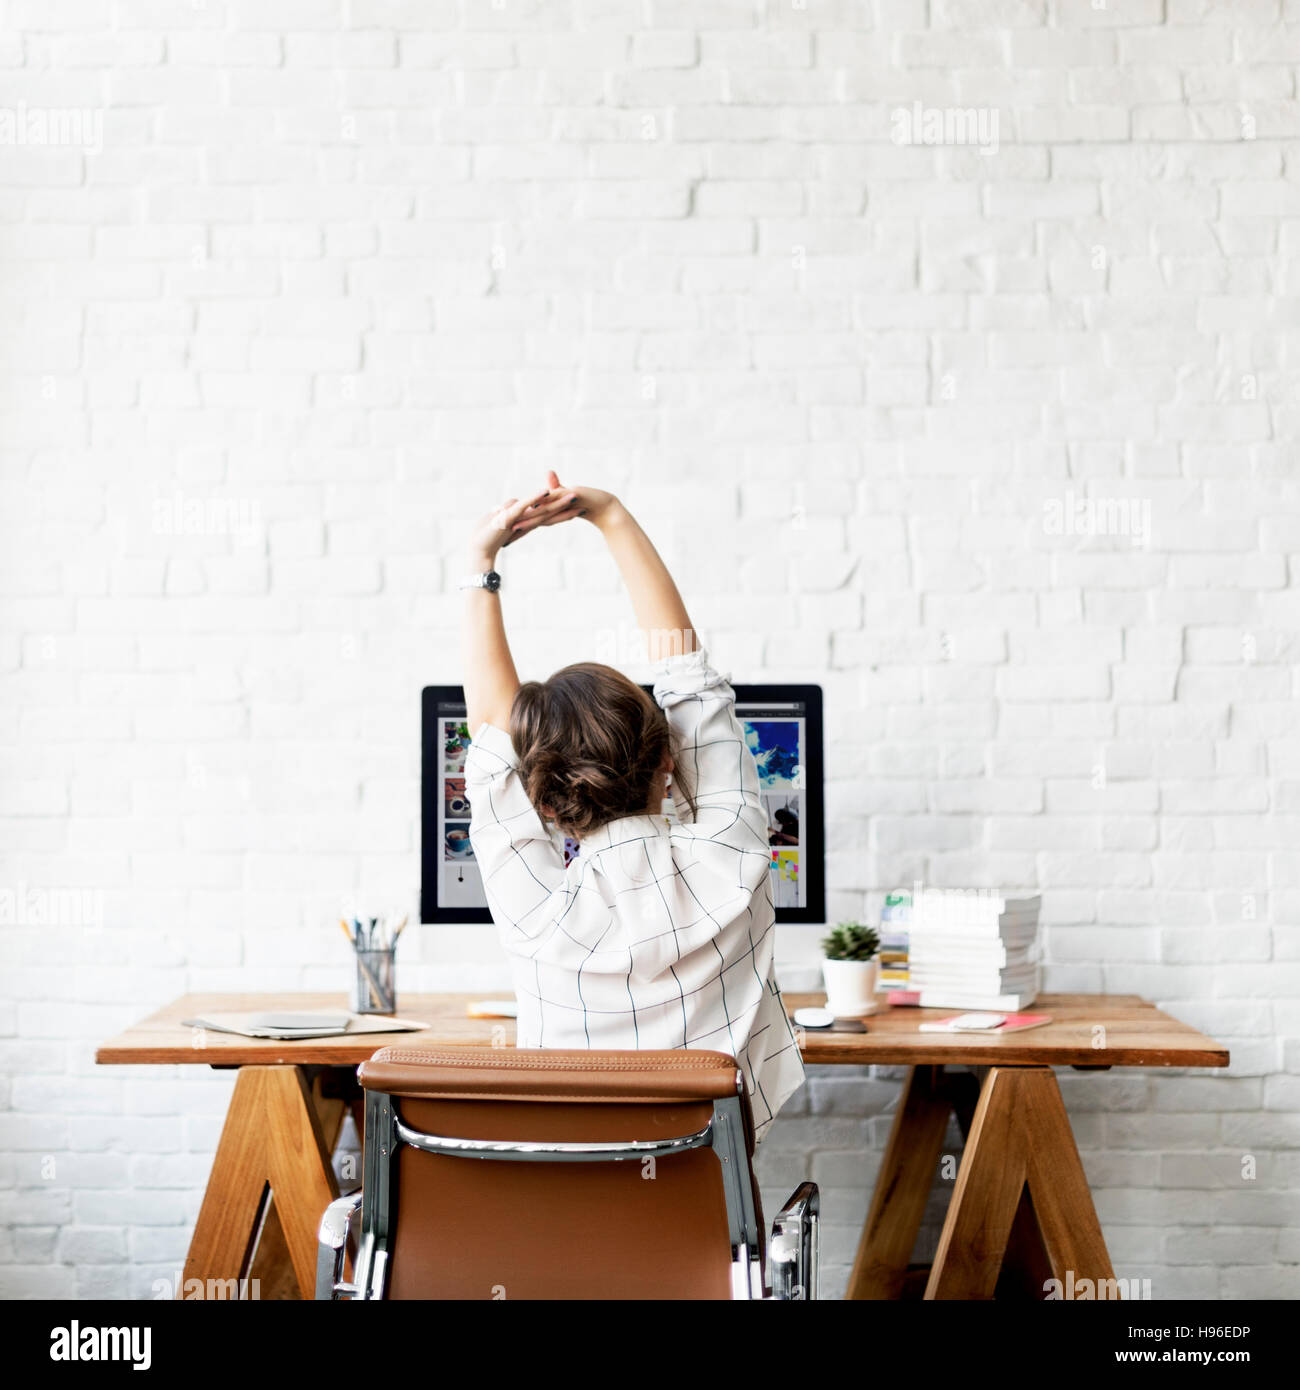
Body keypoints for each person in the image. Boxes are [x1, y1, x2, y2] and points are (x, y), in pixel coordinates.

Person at [459, 473, 805, 1141]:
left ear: (543, 799)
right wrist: (608, 514)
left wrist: (481, 564)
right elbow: (691, 681)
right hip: (712, 1231)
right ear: (669, 760)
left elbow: (491, 738)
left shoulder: (536, 914)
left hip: (564, 1227)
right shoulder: (735, 856)